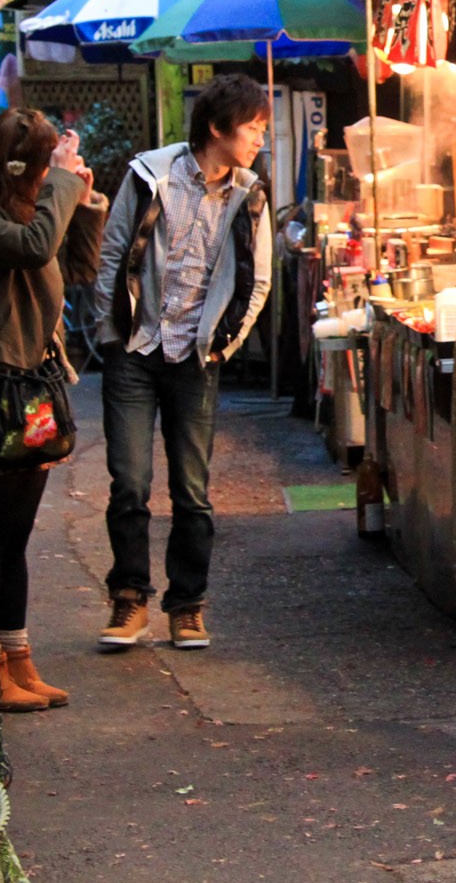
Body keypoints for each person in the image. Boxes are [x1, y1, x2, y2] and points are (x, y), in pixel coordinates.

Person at [0, 108, 107, 713]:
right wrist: (59, 186)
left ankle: (18, 660)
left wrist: (82, 201)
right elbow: (34, 251)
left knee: (18, 537)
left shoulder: (32, 210)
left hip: (33, 388)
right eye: (42, 167)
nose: (48, 176)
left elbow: (78, 268)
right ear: (22, 167)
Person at [91, 74, 273, 651]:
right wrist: (111, 332)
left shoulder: (251, 195)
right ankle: (129, 601)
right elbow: (113, 251)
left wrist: (224, 344)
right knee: (130, 484)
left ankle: (187, 605)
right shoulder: (152, 174)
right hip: (137, 350)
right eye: (253, 129)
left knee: (192, 490)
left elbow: (258, 280)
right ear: (218, 128)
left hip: (197, 356)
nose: (258, 142)